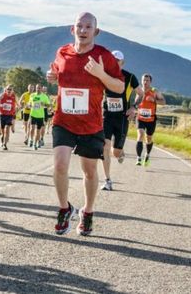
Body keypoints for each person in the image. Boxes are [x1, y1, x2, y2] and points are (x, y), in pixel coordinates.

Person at [46, 12, 124, 236]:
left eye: (88, 27)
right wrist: (52, 76)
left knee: (89, 171)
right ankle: (64, 208)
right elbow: (57, 73)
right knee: (60, 165)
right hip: (63, 120)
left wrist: (101, 74)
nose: (83, 30)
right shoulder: (62, 51)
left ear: (95, 32)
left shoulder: (103, 56)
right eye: (79, 26)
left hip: (91, 124)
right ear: (72, 29)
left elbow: (118, 87)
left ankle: (88, 212)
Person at [100, 50, 139, 191]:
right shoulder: (103, 75)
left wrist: (134, 107)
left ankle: (120, 152)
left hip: (122, 117)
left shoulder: (130, 77)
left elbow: (140, 94)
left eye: (117, 60)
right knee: (105, 147)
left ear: (122, 62)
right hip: (107, 115)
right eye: (112, 59)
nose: (114, 62)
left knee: (115, 152)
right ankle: (107, 180)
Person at [135, 73, 166, 166]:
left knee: (149, 139)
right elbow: (135, 103)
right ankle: (138, 158)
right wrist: (134, 107)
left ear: (150, 82)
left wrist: (154, 100)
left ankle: (147, 155)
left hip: (151, 120)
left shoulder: (154, 91)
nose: (145, 82)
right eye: (143, 80)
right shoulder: (139, 90)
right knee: (140, 134)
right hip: (140, 118)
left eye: (147, 80)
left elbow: (164, 102)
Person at [28, 84, 51, 150]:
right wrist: (29, 105)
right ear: (35, 88)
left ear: (41, 89)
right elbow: (29, 103)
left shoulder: (44, 96)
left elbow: (49, 105)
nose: (38, 89)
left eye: (39, 88)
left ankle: (35, 143)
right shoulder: (32, 95)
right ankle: (31, 140)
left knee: (38, 131)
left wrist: (44, 104)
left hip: (40, 116)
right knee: (32, 128)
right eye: (37, 88)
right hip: (33, 114)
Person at [0, 85, 17, 150]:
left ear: (12, 91)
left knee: (7, 128)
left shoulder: (14, 96)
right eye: (8, 89)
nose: (9, 90)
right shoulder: (2, 95)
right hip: (2, 115)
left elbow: (18, 104)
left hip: (10, 115)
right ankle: (3, 140)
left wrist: (19, 107)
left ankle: (5, 144)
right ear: (5, 90)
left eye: (10, 89)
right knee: (2, 132)